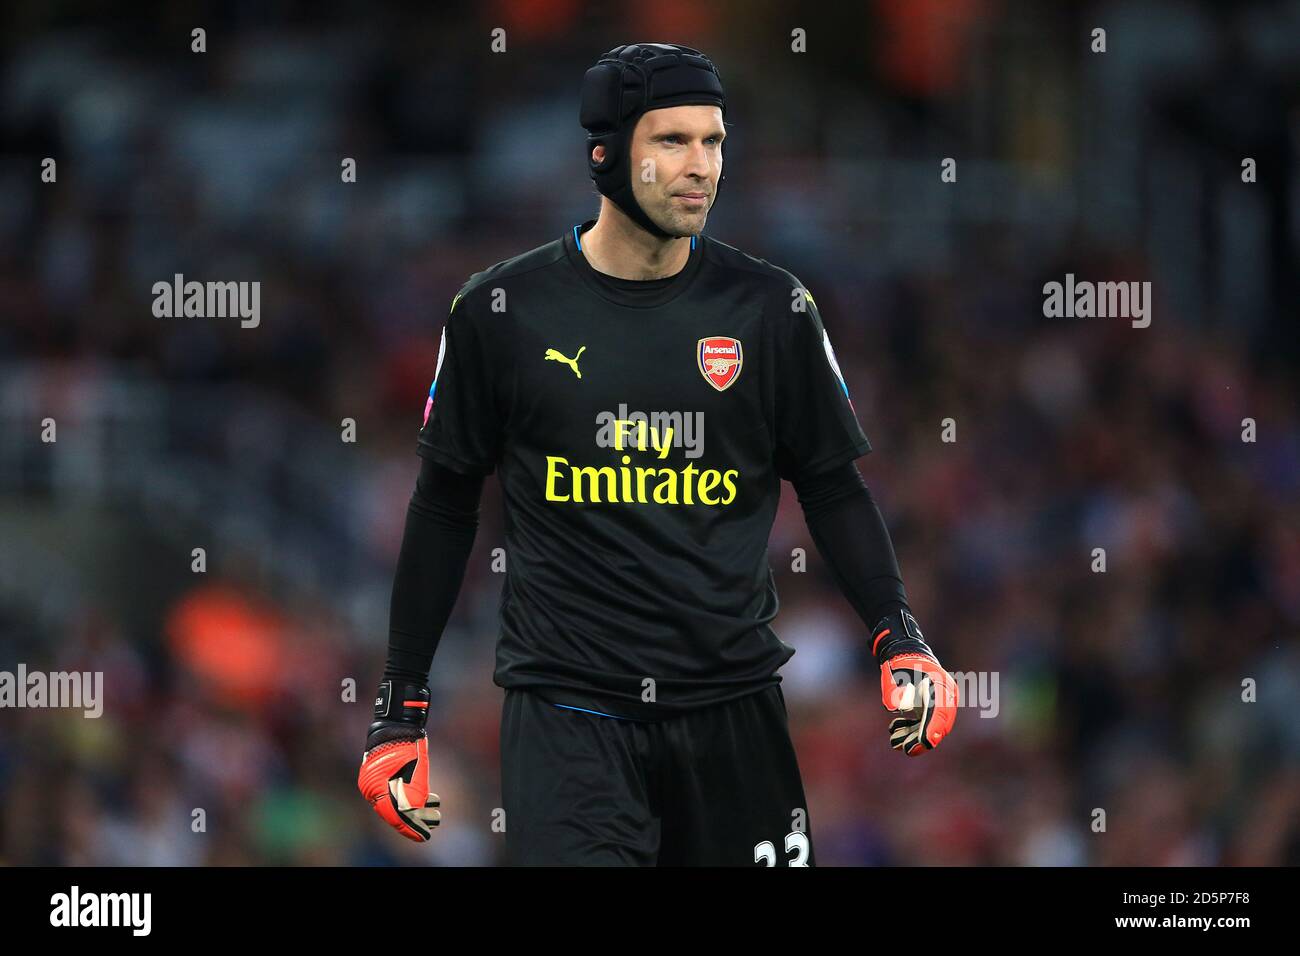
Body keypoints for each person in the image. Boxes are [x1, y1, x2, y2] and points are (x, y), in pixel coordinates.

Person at [357, 42, 957, 866]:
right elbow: (442, 504)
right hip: (569, 719)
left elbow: (832, 485)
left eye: (713, 141)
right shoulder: (500, 312)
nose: (701, 165)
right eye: (671, 141)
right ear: (605, 155)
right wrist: (401, 707)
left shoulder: (772, 309)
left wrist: (898, 633)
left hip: (732, 712)